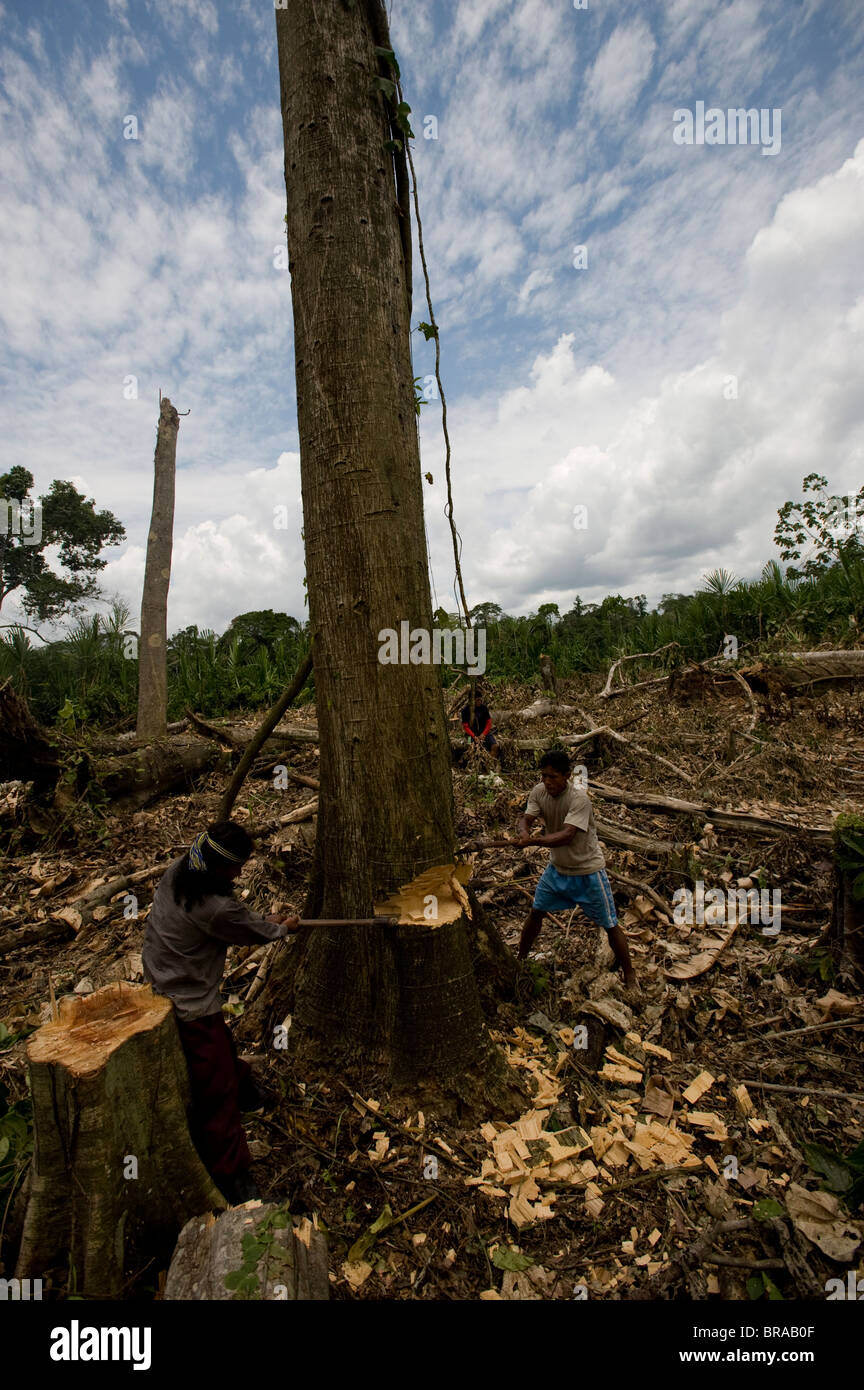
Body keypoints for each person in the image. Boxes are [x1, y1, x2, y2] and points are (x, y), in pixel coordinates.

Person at [142, 820, 300, 1205]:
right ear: (220, 867)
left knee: (220, 1049)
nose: (242, 872)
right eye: (238, 866)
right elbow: (249, 930)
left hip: (163, 970)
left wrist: (265, 923)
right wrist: (282, 928)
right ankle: (230, 1172)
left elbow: (243, 922)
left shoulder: (183, 868)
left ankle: (245, 1086)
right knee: (215, 1088)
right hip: (185, 997)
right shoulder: (213, 908)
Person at [510, 751, 637, 988]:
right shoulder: (539, 791)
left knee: (610, 924)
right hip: (557, 870)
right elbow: (526, 817)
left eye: (553, 777)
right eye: (544, 776)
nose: (548, 781)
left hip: (587, 871)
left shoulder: (580, 799)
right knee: (536, 912)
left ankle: (630, 975)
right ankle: (520, 960)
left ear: (567, 776)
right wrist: (524, 831)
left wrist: (534, 842)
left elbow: (567, 835)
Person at [461, 685, 500, 759]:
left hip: (484, 733)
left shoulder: (484, 708)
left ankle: (490, 763)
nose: (480, 701)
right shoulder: (465, 710)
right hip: (469, 735)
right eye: (478, 700)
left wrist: (483, 734)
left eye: (480, 699)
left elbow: (489, 722)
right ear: (472, 700)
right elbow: (465, 726)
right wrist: (474, 736)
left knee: (495, 746)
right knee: (470, 747)